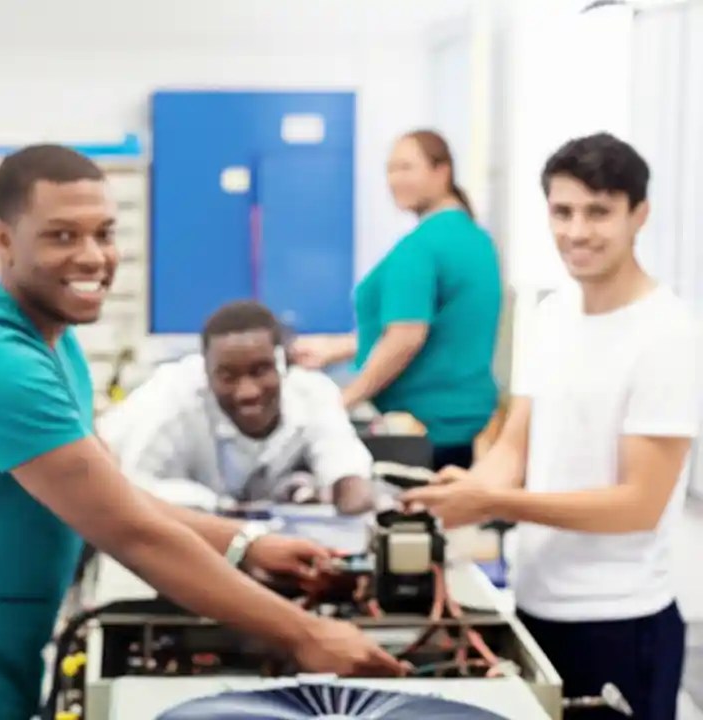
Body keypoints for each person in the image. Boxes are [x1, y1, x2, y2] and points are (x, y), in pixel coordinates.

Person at [0, 144, 406, 720]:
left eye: (104, 234)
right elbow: (131, 532)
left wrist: (245, 544)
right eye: (62, 236)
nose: (92, 257)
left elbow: (112, 491)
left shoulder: (56, 343)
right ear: (4, 241)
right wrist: (304, 634)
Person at [401, 132, 697, 720]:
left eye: (599, 212)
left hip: (621, 621)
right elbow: (517, 444)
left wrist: (498, 500)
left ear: (640, 214)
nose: (578, 232)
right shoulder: (552, 313)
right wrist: (468, 490)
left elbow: (638, 504)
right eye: (563, 212)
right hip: (536, 607)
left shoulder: (669, 334)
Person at [291, 130, 503, 470]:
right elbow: (438, 330)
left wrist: (343, 401)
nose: (395, 179)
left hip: (423, 431)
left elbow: (406, 338)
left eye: (406, 167)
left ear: (442, 171)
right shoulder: (476, 239)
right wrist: (338, 348)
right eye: (390, 169)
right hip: (467, 421)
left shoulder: (420, 247)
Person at [97, 300, 375, 515]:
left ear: (284, 364)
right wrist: (221, 508)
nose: (248, 392)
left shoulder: (313, 393)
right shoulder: (169, 400)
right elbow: (131, 493)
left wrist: (349, 494)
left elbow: (344, 464)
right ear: (205, 371)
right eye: (228, 377)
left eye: (260, 370)